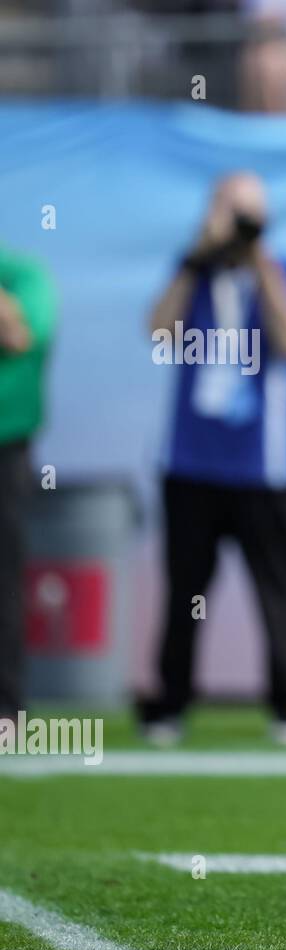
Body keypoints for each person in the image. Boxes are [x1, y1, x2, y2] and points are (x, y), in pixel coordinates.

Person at [140, 172, 286, 747]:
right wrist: (194, 258)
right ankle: (168, 704)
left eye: (248, 213)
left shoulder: (283, 270)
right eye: (228, 210)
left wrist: (258, 255)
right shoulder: (193, 273)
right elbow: (159, 334)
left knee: (277, 594)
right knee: (184, 590)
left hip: (265, 465)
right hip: (192, 462)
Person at [0, 246, 57, 729]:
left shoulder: (25, 279)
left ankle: (5, 706)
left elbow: (16, 335)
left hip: (5, 446)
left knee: (3, 576)